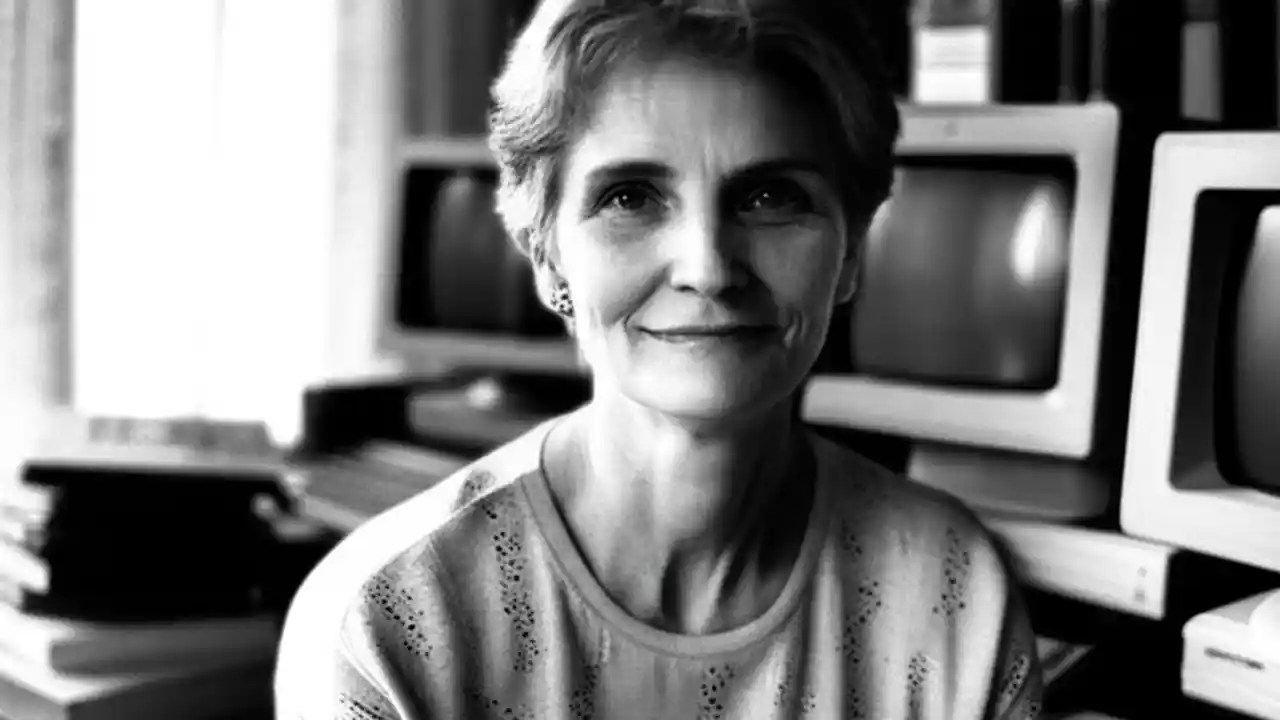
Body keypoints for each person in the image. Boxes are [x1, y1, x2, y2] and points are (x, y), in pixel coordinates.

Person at [275, 0, 1044, 717]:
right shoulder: (389, 622)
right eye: (630, 197)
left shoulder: (956, 595)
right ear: (546, 255)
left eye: (771, 197)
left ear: (849, 252)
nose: (708, 267)